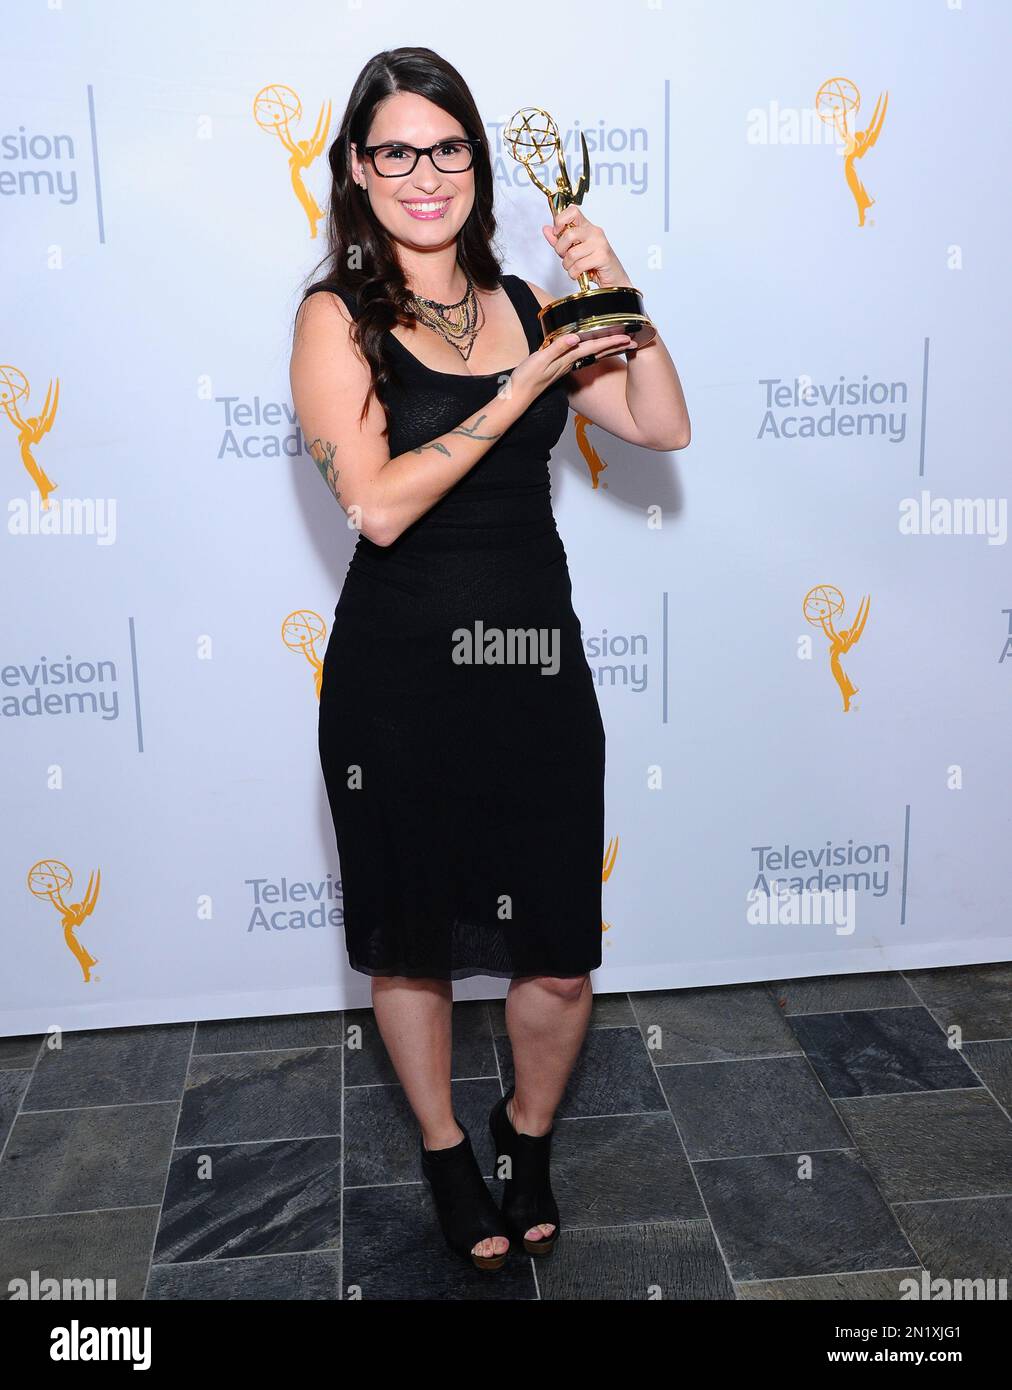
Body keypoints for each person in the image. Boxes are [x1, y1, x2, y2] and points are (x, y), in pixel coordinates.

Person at [289, 46, 690, 1272]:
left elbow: (661, 421)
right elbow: (380, 506)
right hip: (398, 689)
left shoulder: (526, 299)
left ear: (477, 160)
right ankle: (444, 1150)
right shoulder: (335, 319)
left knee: (558, 957)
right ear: (359, 171)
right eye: (395, 150)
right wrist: (518, 390)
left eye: (447, 146)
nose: (425, 172)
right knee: (412, 944)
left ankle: (524, 1133)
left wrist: (610, 284)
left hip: (533, 674)